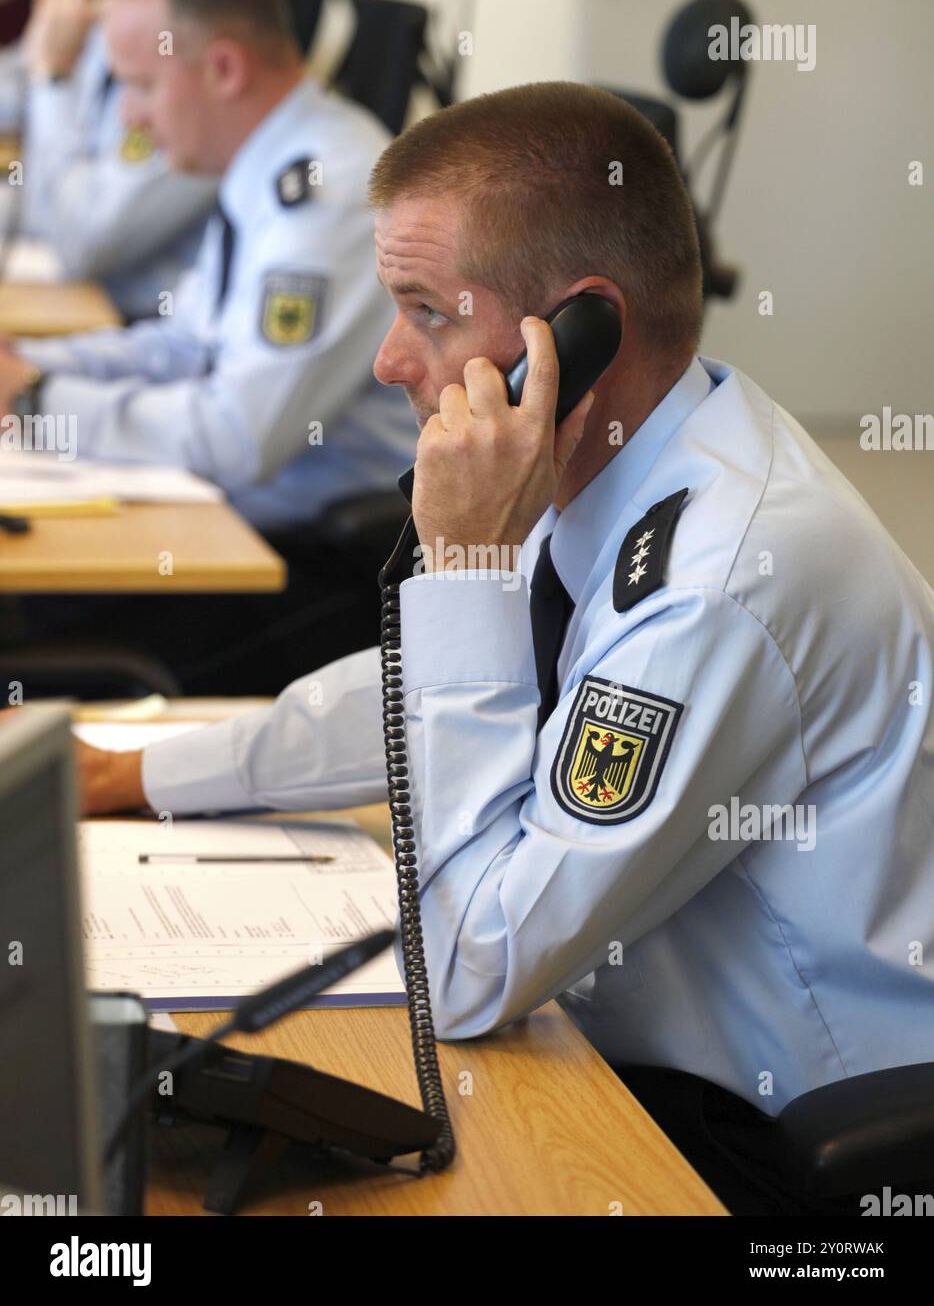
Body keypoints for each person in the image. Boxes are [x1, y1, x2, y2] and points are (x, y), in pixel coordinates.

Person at [76, 82, 934, 1213]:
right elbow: (425, 697)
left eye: (427, 310)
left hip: (761, 1140)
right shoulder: (627, 457)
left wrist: (466, 566)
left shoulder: (722, 579)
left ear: (572, 336)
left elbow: (466, 969)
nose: (390, 362)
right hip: (605, 1035)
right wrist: (140, 771)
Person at [0, 0, 416, 693]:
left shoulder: (324, 196)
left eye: (142, 86)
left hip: (317, 574)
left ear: (222, 68)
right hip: (233, 530)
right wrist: (32, 365)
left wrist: (34, 398)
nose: (129, 118)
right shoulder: (261, 164)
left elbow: (237, 433)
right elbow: (182, 343)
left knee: (17, 663)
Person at [0, 0, 215, 320]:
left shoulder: (183, 64)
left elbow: (79, 241)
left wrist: (52, 77)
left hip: (130, 323)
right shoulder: (101, 25)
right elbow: (14, 96)